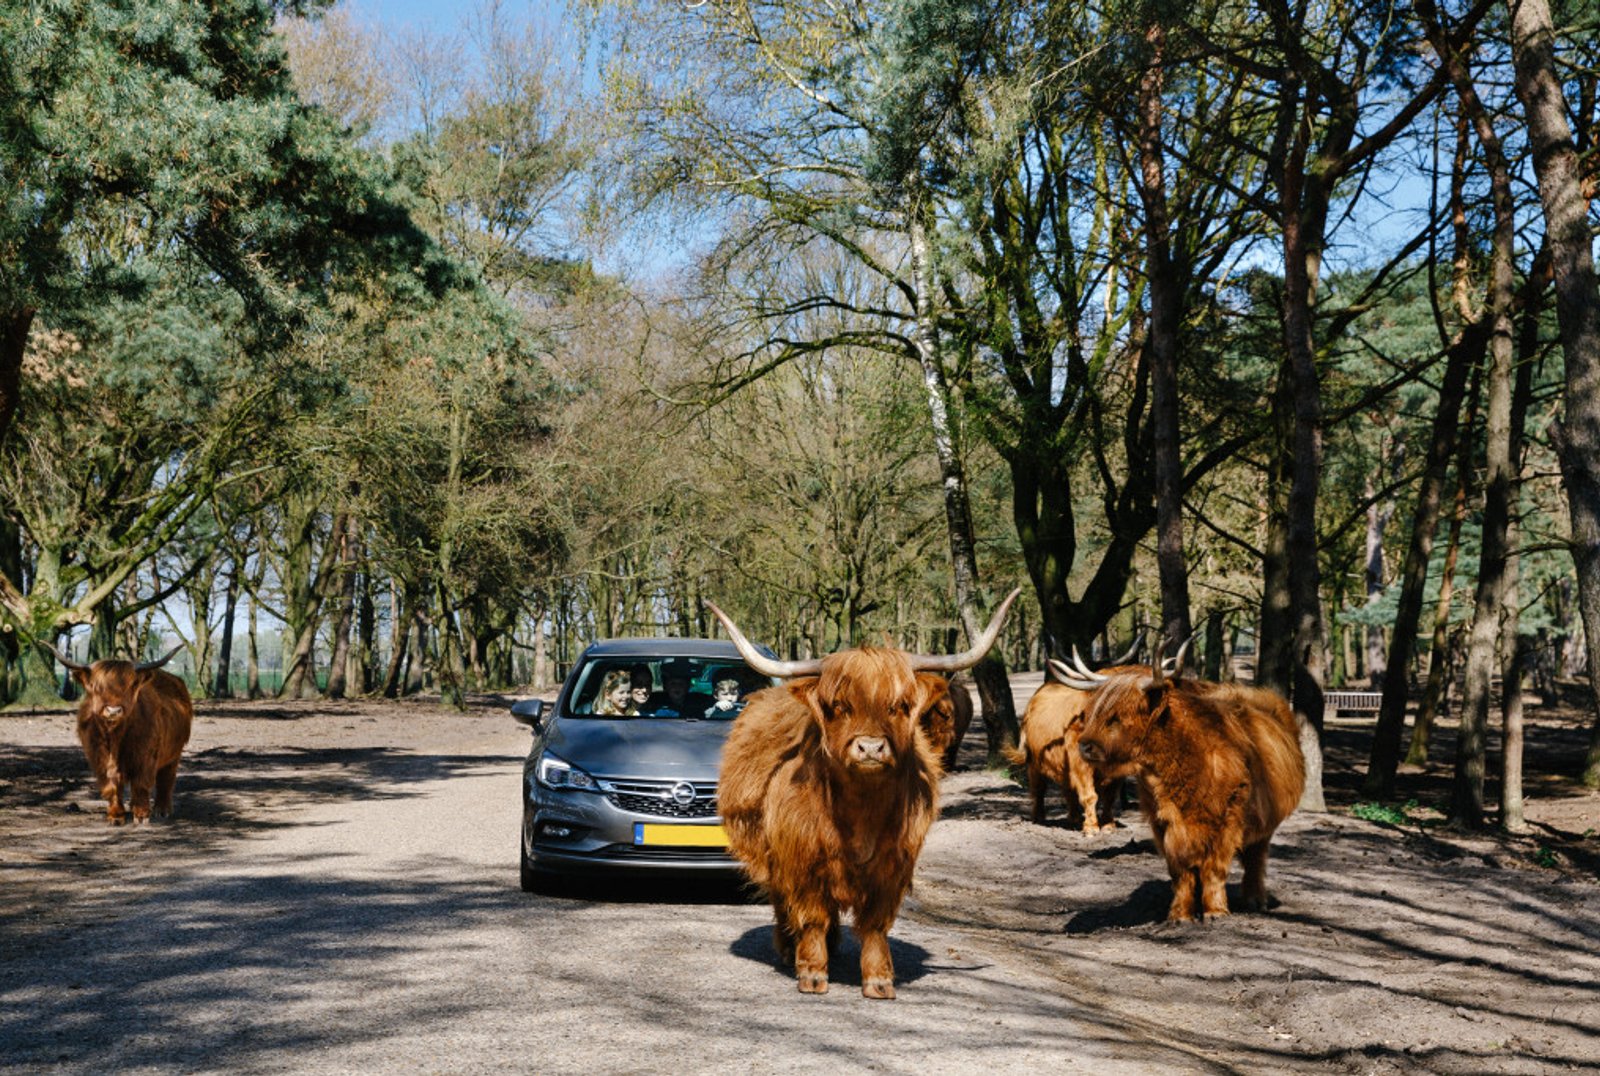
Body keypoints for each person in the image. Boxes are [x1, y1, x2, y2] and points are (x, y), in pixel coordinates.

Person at [647, 660, 712, 718]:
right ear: (666, 686)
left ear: (687, 686)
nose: (677, 687)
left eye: (681, 684)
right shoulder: (656, 701)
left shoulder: (699, 701)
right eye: (673, 684)